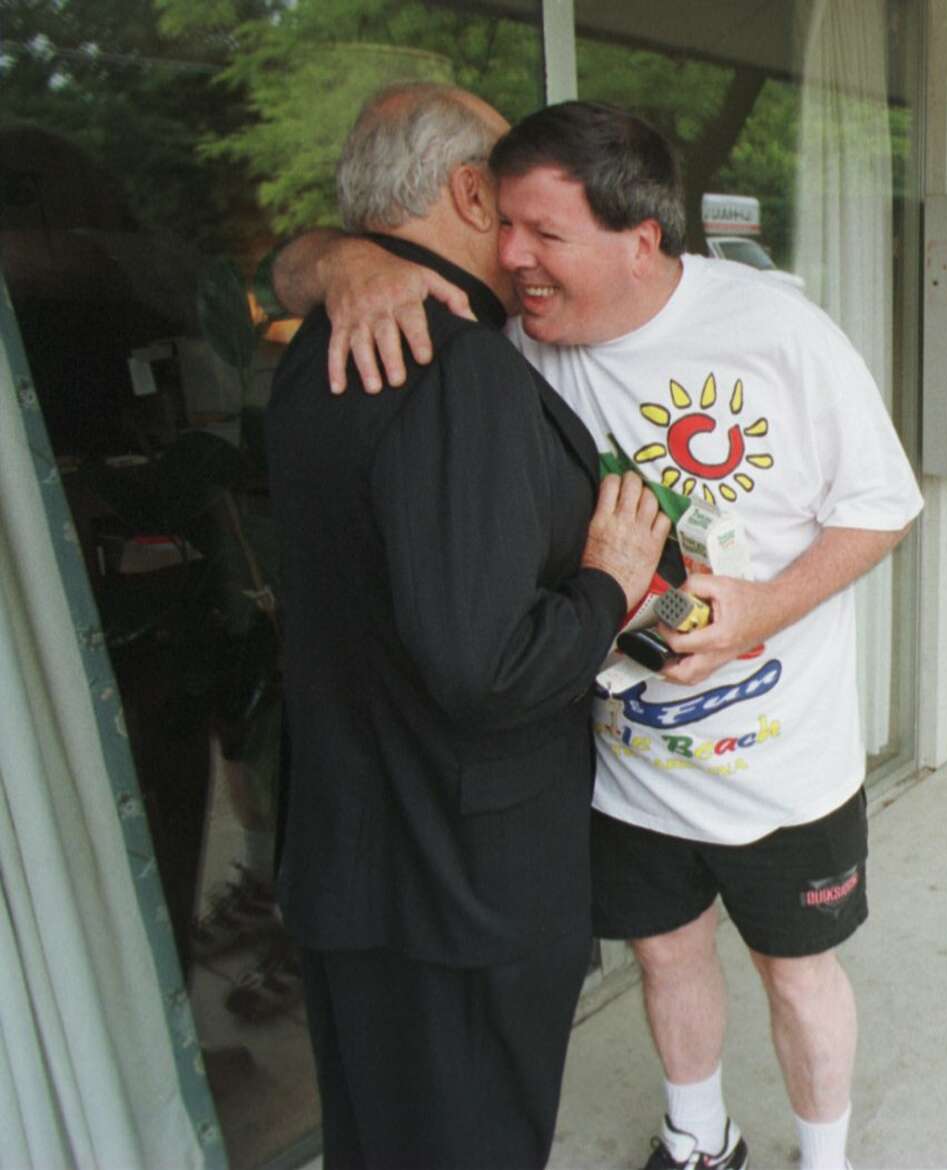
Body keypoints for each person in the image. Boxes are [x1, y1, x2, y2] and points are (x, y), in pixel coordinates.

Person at [276, 100, 922, 1170]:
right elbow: (314, 275)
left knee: (797, 974)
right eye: (506, 224)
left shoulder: (778, 330)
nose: (516, 258)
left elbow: (883, 504)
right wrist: (340, 255)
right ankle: (699, 1141)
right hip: (623, 769)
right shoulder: (511, 344)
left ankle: (827, 1158)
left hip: (779, 760)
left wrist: (759, 610)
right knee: (667, 961)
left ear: (641, 240)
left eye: (545, 234)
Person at [266, 84, 671, 1169]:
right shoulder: (458, 371)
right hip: (459, 897)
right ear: (467, 192)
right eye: (519, 198)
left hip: (357, 868)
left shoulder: (315, 348)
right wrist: (608, 584)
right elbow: (485, 667)